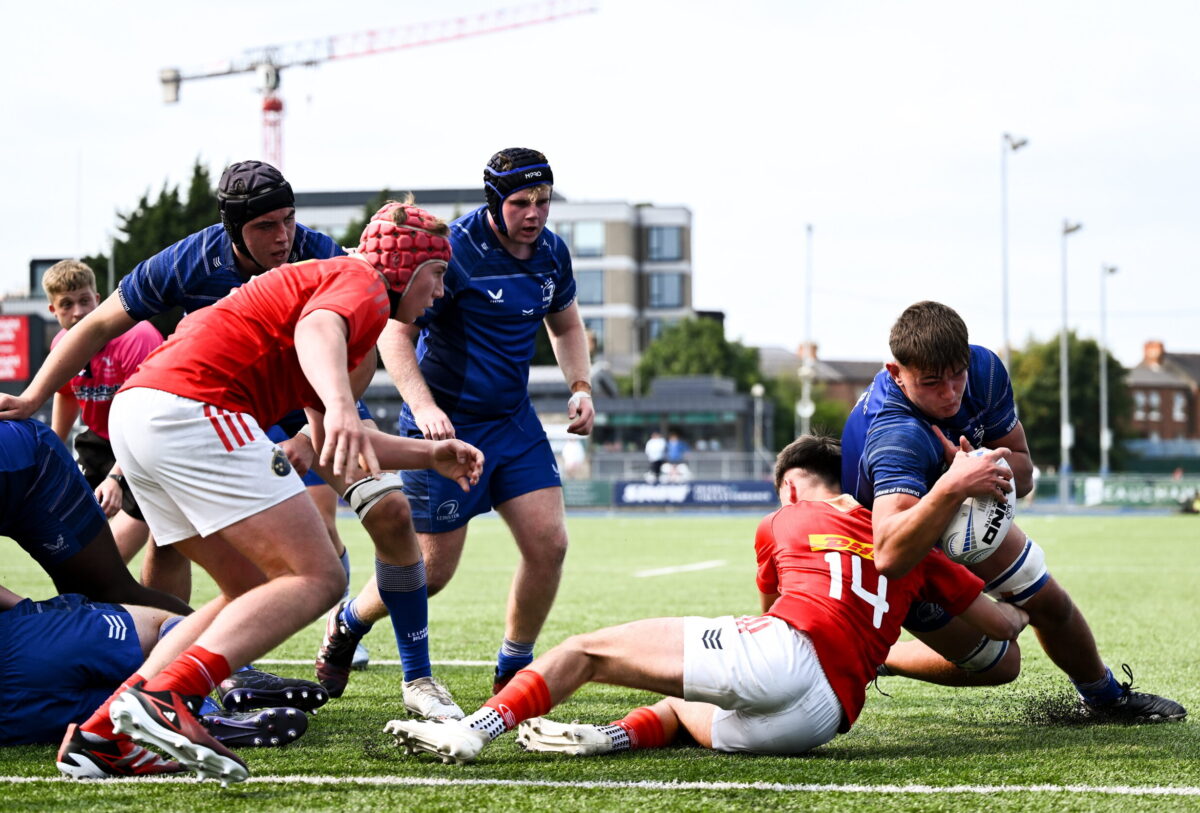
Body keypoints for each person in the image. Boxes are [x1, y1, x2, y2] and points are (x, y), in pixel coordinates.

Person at [55, 201, 485, 785]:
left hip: (142, 411)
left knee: (250, 589)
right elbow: (318, 332)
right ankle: (166, 699)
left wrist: (429, 453)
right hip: (194, 407)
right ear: (406, 266)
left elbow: (330, 437)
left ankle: (108, 731)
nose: (439, 295)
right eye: (437, 276)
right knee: (318, 577)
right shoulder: (360, 282)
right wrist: (339, 403)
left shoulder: (333, 292)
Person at [384, 435, 1027, 764]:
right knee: (680, 701)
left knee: (585, 650)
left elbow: (776, 606)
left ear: (791, 486)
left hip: (788, 656)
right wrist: (1026, 602)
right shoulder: (916, 549)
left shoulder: (782, 521)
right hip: (824, 718)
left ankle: (474, 731)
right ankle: (603, 739)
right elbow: (1000, 628)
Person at [842, 300, 1185, 720]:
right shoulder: (897, 434)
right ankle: (886, 657)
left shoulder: (984, 372)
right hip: (898, 537)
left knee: (1050, 603)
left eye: (956, 375)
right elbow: (890, 554)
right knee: (1002, 664)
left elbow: (1023, 474)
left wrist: (984, 464)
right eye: (932, 382)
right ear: (896, 373)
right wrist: (954, 483)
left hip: (955, 500)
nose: (950, 393)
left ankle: (1106, 698)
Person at [337, 148, 594, 698]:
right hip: (445, 429)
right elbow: (393, 333)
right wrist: (427, 408)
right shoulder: (453, 251)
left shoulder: (552, 252)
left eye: (543, 201)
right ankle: (349, 622)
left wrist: (580, 387)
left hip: (513, 423)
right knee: (431, 572)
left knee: (548, 543)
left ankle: (511, 667)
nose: (535, 214)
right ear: (494, 202)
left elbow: (567, 326)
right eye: (521, 202)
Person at [0, 583, 318, 762]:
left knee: (128, 708)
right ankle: (229, 677)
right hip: (21, 643)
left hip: (14, 719)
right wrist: (26, 609)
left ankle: (204, 719)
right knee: (161, 625)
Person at [42, 259, 165, 576]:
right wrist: (54, 448)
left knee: (108, 566)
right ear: (54, 311)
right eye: (67, 304)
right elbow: (66, 392)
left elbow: (144, 418)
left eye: (85, 300)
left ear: (98, 299)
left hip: (151, 440)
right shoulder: (62, 344)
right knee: (72, 546)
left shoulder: (137, 337)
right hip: (100, 439)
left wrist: (115, 478)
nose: (79, 312)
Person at [1, 418, 190, 617]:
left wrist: (115, 477)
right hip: (53, 454)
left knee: (107, 593)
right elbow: (65, 395)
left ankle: (209, 641)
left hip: (34, 466)